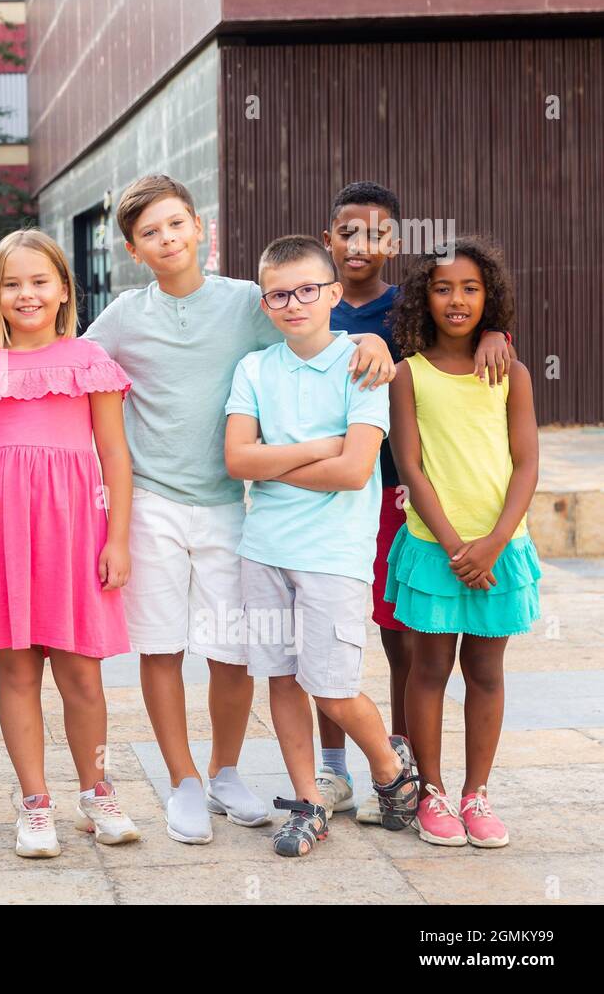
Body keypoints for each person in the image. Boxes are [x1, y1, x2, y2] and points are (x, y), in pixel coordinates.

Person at [0, 176, 396, 844]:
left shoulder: (249, 301)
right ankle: (184, 779)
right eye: (149, 233)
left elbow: (310, 316)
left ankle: (225, 771)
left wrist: (373, 343)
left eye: (174, 224)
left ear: (199, 228)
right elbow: (52, 346)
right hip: (151, 501)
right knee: (161, 646)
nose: (166, 239)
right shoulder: (127, 316)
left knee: (231, 650)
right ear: (135, 249)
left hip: (229, 503)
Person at [0, 229, 140, 858]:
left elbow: (114, 453)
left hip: (78, 528)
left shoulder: (88, 361)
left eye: (39, 281)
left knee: (82, 673)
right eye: (12, 283)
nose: (27, 294)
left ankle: (97, 791)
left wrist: (119, 539)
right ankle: (34, 802)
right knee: (17, 670)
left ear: (63, 291)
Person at [314, 182, 514, 824]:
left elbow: (468, 313)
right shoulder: (310, 304)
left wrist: (499, 332)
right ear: (328, 239)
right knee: (327, 631)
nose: (359, 245)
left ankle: (400, 765)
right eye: (348, 232)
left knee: (402, 636)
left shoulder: (413, 304)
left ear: (395, 245)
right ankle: (332, 767)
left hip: (399, 496)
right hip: (326, 495)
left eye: (375, 234)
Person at [224, 234, 419, 857]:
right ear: (265, 302)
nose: (293, 302)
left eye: (307, 289)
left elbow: (356, 471)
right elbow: (235, 459)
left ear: (333, 294)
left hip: (333, 555)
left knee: (332, 687)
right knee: (281, 679)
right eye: (279, 294)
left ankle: (391, 769)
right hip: (265, 549)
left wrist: (273, 463)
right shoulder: (255, 369)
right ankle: (309, 800)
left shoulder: (363, 364)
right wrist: (319, 447)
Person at [385, 237, 540, 848]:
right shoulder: (409, 374)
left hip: (502, 548)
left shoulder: (512, 371)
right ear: (424, 297)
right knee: (428, 670)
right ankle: (433, 793)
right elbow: (410, 467)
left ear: (489, 296)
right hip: (434, 548)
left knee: (487, 672)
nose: (456, 299)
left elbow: (526, 465)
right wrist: (456, 547)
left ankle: (477, 794)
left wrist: (494, 543)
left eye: (471, 288)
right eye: (443, 287)